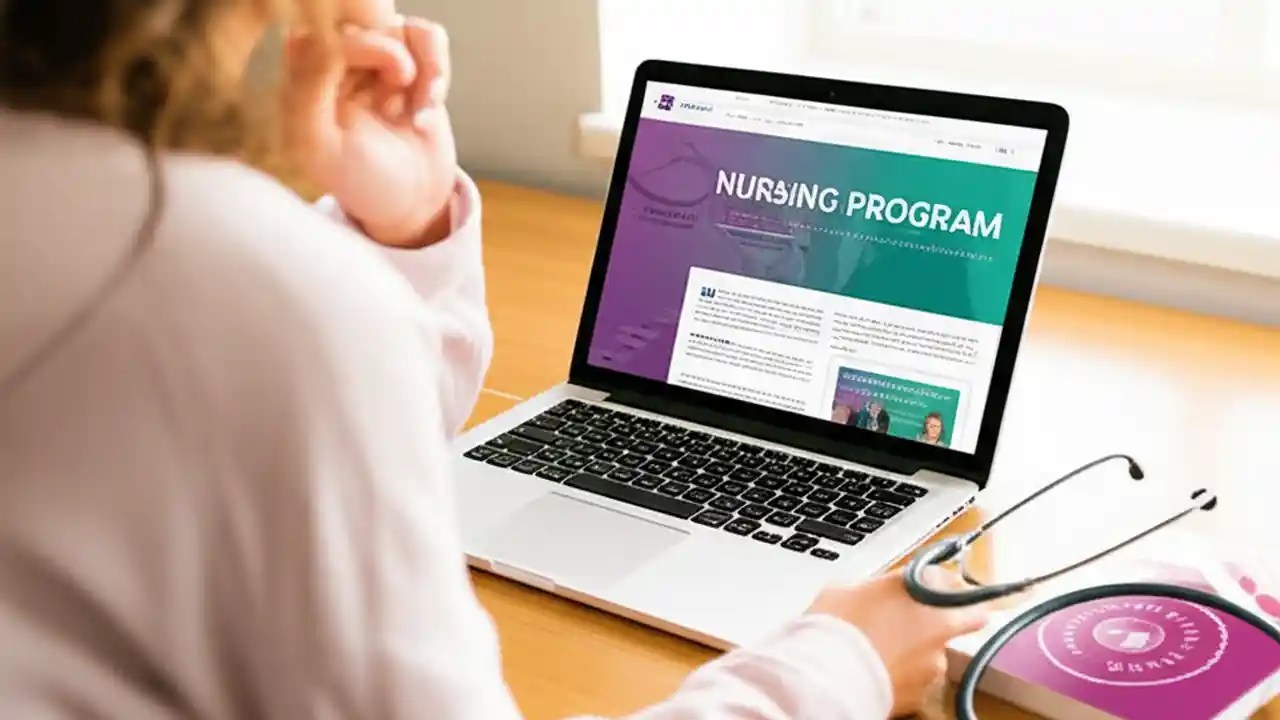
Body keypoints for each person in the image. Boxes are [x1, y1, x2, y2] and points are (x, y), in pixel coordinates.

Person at [0, 1, 991, 718]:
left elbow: (293, 448)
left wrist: (405, 229)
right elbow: (290, 383)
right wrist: (838, 666)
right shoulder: (248, 294)